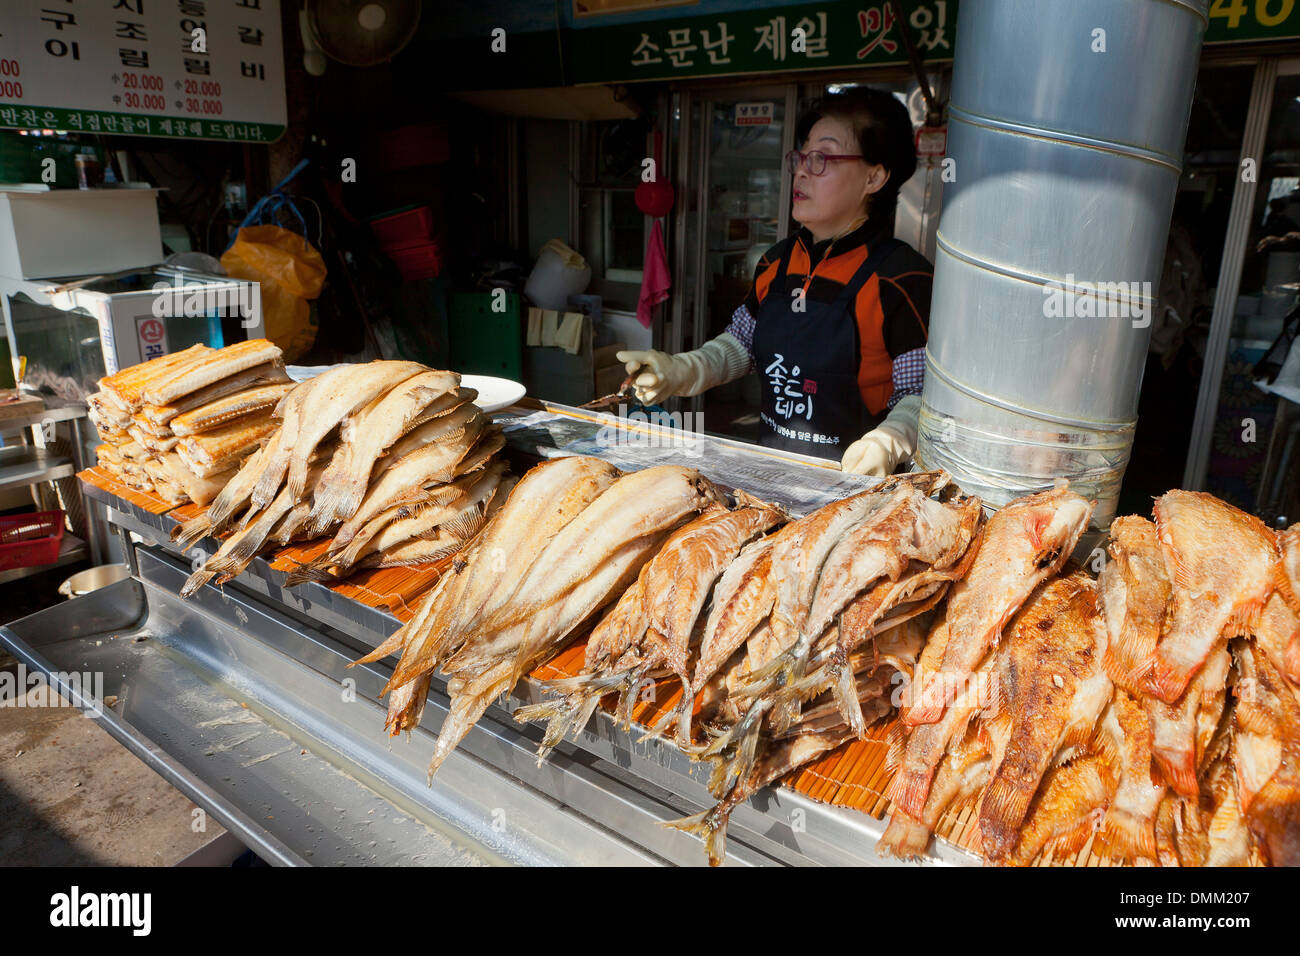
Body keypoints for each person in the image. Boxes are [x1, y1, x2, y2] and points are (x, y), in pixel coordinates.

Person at [616, 87, 932, 475]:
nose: (801, 170)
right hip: (775, 475)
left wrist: (891, 438)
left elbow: (920, 394)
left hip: (860, 492)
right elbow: (741, 345)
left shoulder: (902, 276)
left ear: (874, 177)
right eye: (801, 157)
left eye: (822, 158)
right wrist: (681, 369)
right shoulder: (776, 263)